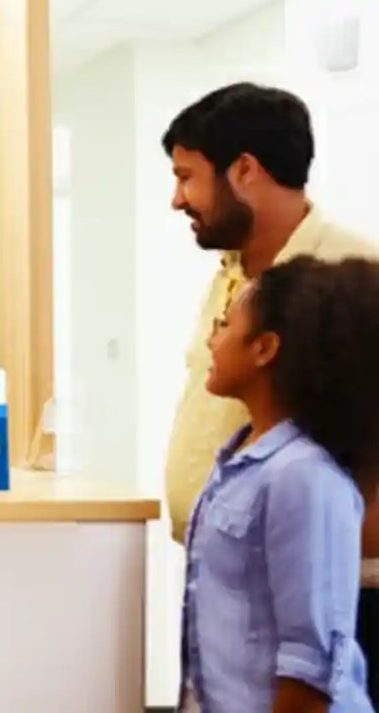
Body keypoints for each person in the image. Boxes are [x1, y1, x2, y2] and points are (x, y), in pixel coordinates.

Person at [160, 82, 379, 543]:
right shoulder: (232, 274)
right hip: (238, 578)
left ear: (244, 171)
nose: (177, 200)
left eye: (186, 177)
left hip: (330, 590)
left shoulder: (354, 276)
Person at [180, 256, 379, 712]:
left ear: (264, 348)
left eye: (225, 324)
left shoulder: (304, 477)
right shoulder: (241, 461)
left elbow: (310, 671)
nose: (212, 340)